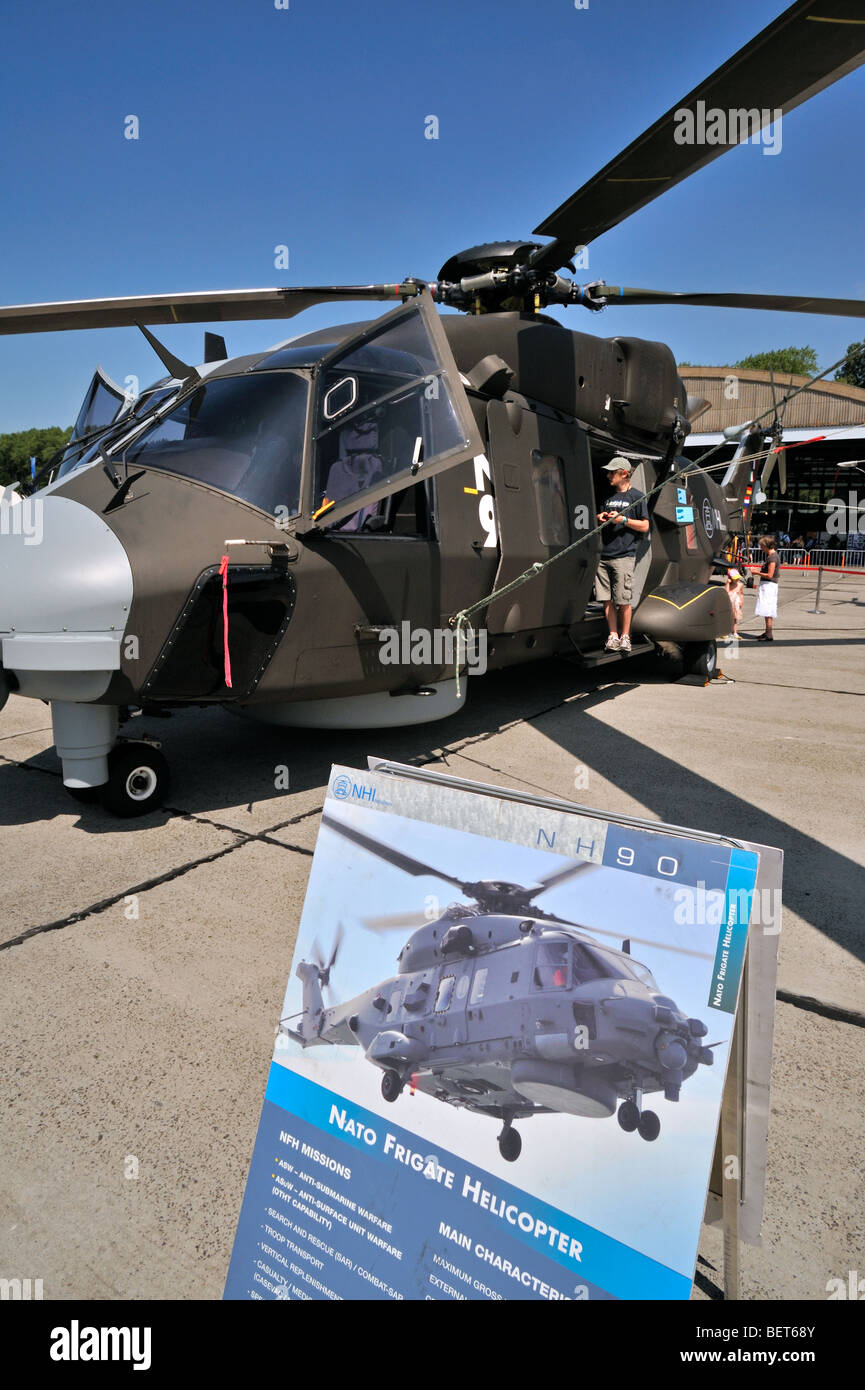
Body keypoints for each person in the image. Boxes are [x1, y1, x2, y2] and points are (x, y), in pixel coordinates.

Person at [595, 457, 650, 653]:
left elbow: (645, 525)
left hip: (624, 555)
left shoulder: (637, 496)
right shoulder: (607, 499)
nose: (608, 475)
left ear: (624, 473)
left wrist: (624, 519)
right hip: (604, 556)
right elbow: (601, 518)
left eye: (612, 472)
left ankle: (625, 637)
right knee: (606, 600)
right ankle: (613, 636)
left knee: (623, 600)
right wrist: (599, 518)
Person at [755, 535, 780, 641]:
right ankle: (767, 632)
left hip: (769, 586)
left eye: (762, 546)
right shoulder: (771, 556)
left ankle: (769, 634)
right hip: (768, 585)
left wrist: (756, 572)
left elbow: (770, 575)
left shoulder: (772, 557)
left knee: (768, 610)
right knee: (766, 610)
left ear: (766, 545)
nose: (761, 548)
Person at [724, 567, 745, 638]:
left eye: (737, 578)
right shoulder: (729, 585)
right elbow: (726, 592)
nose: (737, 579)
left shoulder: (740, 585)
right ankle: (727, 632)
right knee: (728, 618)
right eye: (735, 578)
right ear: (730, 578)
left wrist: (741, 601)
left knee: (735, 618)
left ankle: (735, 632)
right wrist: (727, 583)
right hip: (729, 603)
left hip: (736, 603)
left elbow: (741, 594)